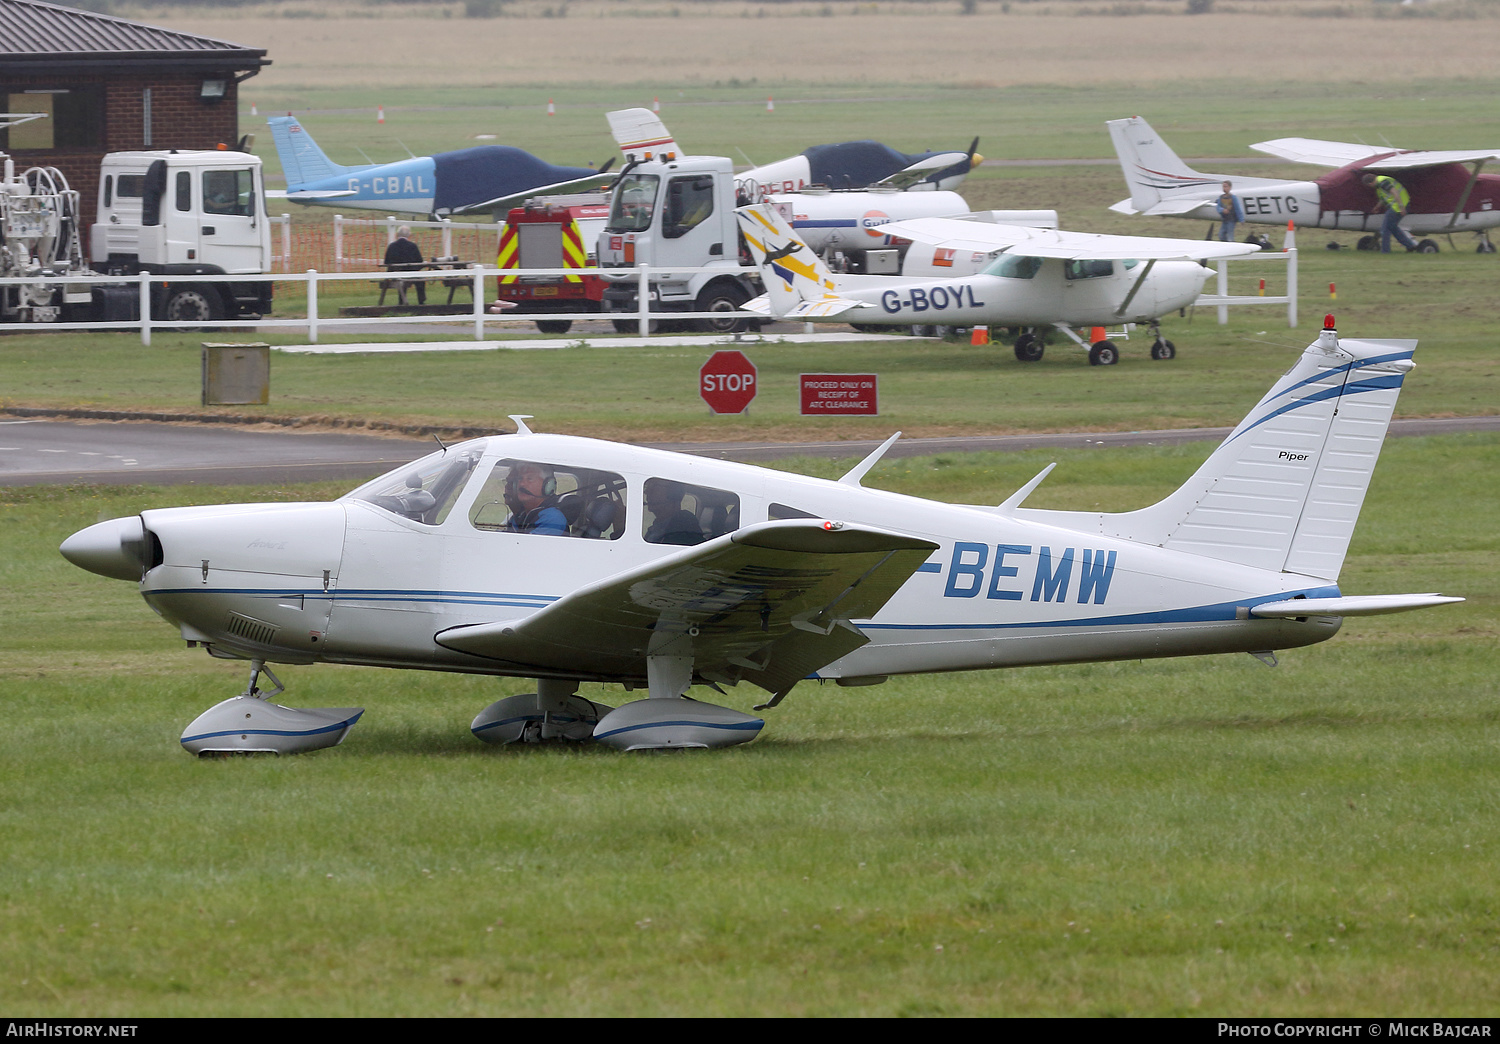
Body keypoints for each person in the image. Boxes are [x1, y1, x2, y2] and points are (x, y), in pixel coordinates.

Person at [503, 463, 568, 536]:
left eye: (529, 479)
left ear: (548, 485)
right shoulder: (521, 516)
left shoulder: (552, 518)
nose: (522, 484)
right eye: (520, 479)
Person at [1363, 172, 1419, 253]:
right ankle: (1410, 246)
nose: (1370, 187)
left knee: (1385, 229)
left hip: (1398, 206)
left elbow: (1395, 192)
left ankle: (1385, 251)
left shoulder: (1383, 182)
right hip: (1397, 206)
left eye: (1369, 186)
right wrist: (1377, 207)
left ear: (1370, 183)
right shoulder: (1380, 184)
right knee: (1392, 227)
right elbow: (1384, 198)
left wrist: (1401, 207)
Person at [644, 480, 704, 546]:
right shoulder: (657, 527)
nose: (646, 492)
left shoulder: (685, 532)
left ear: (673, 494)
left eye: (654, 486)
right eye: (648, 487)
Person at [383, 226, 427, 304]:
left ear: (397, 234)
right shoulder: (413, 246)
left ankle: (401, 301)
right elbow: (420, 261)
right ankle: (421, 301)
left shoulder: (392, 246)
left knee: (403, 282)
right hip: (411, 274)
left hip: (395, 275)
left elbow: (386, 262)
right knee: (420, 280)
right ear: (409, 235)